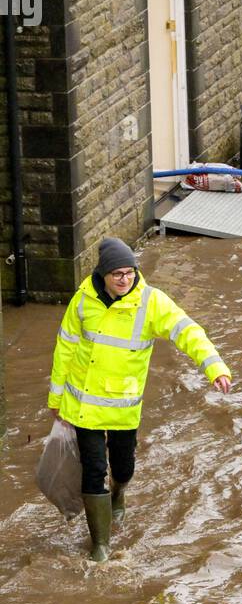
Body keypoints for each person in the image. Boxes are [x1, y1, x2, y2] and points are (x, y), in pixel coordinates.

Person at [48, 237, 231, 562]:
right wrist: (57, 398)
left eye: (129, 273)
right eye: (117, 273)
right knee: (93, 470)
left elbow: (188, 332)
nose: (124, 279)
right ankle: (100, 545)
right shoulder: (82, 300)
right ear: (102, 274)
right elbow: (65, 349)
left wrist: (214, 366)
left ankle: (119, 495)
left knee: (124, 466)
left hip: (122, 409)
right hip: (83, 406)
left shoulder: (152, 303)